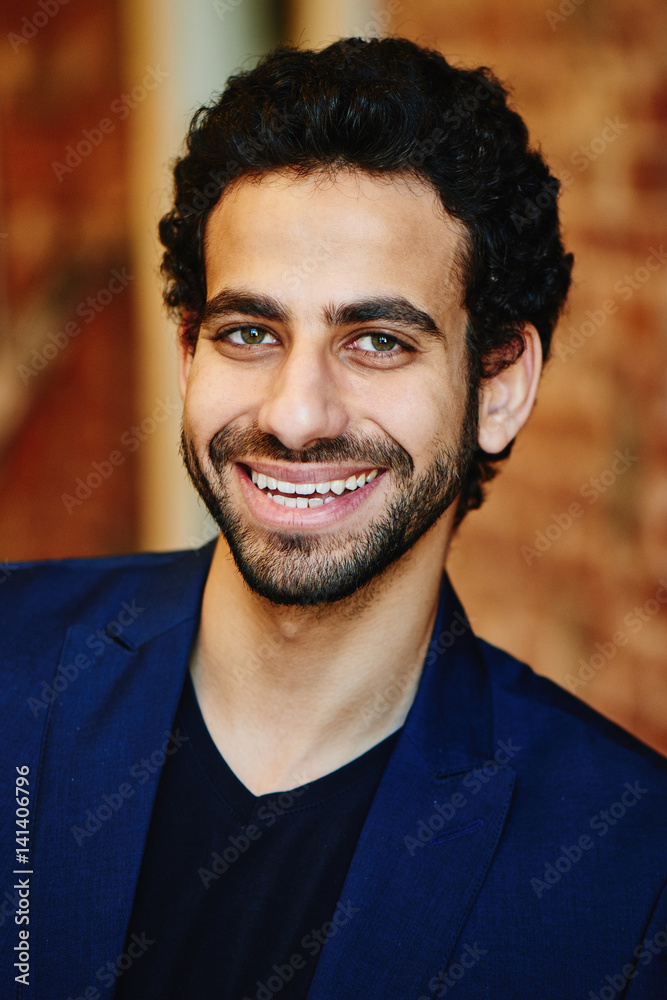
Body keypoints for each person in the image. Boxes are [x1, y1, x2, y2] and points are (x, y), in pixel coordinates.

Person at [2, 36, 666, 1000]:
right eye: (247, 332)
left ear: (499, 385)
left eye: (378, 341)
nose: (295, 414)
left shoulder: (627, 876)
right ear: (188, 354)